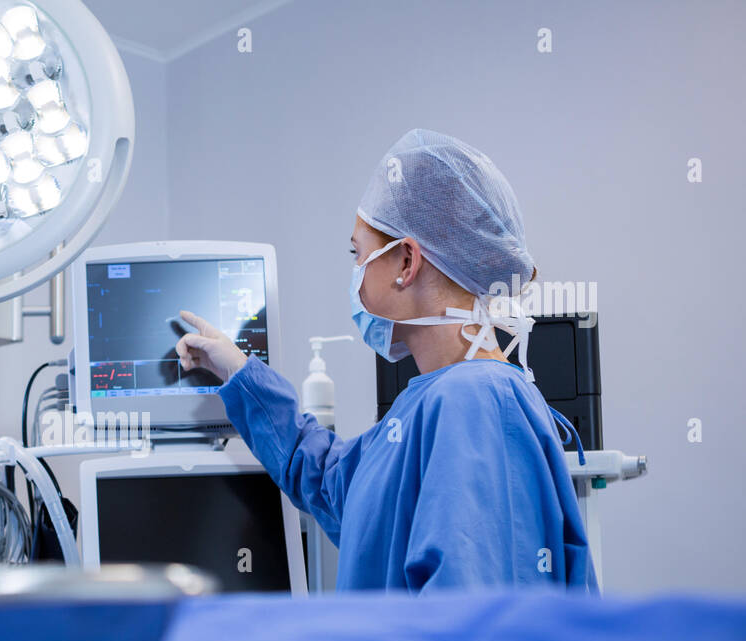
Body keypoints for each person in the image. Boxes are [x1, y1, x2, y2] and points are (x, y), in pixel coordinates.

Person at [176, 129, 595, 592]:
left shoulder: (474, 403)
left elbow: (474, 636)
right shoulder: (435, 403)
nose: (355, 273)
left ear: (406, 263)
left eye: (358, 253)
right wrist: (239, 372)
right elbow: (332, 483)